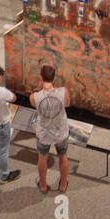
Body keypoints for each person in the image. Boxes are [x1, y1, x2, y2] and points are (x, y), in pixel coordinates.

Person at [31, 64, 70, 194]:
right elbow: (67, 104)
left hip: (44, 133)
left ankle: (42, 185)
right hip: (61, 131)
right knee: (63, 156)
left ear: (40, 78)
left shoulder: (34, 97)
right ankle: (63, 184)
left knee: (42, 158)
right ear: (54, 79)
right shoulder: (63, 92)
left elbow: (36, 107)